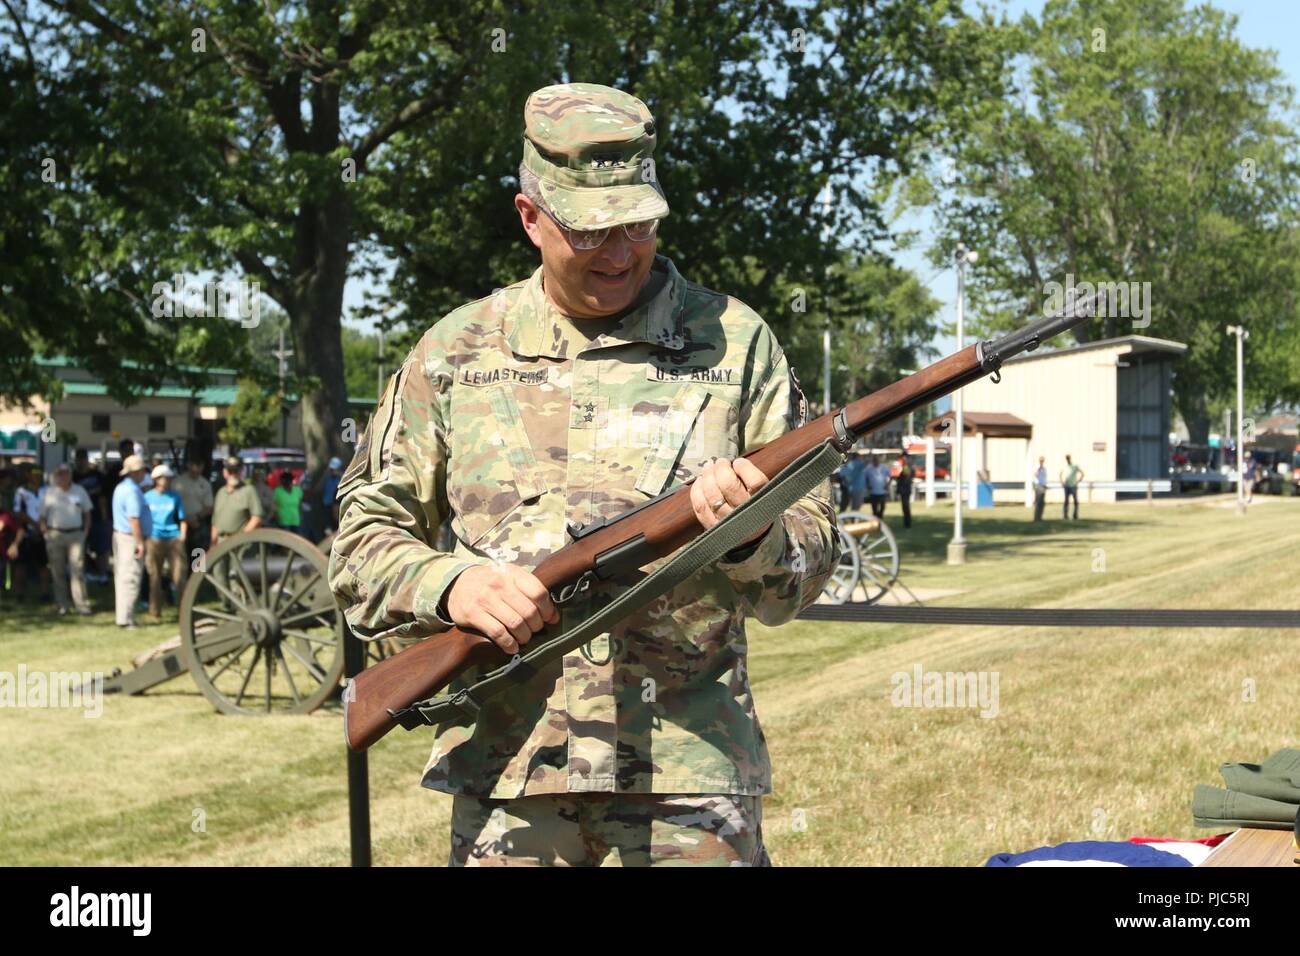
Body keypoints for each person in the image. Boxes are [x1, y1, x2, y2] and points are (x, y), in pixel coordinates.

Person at [328, 83, 839, 868]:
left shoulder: (736, 345)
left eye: (638, 223)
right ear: (529, 218)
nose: (620, 250)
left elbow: (810, 561)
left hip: (690, 779)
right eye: (592, 229)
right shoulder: (454, 354)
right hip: (513, 775)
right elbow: (359, 544)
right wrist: (451, 585)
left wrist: (755, 537)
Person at [39, 463, 94, 616]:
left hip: (76, 534)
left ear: (70, 475)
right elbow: (42, 516)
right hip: (55, 535)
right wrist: (46, 533)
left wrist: (85, 532)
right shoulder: (50, 493)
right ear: (56, 476)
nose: (63, 477)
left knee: (78, 571)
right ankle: (62, 605)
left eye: (65, 474)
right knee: (57, 572)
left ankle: (82, 605)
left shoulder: (80, 491)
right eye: (60, 474)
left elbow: (87, 512)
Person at [111, 455, 151, 627]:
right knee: (131, 578)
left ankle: (123, 617)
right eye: (142, 470)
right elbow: (133, 519)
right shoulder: (132, 491)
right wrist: (140, 542)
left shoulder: (121, 488)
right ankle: (127, 619)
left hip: (121, 536)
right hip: (130, 538)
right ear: (136, 472)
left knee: (122, 577)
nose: (144, 473)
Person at [144, 465, 187, 619]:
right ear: (156, 479)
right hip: (154, 539)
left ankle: (183, 610)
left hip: (174, 538)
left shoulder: (175, 496)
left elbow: (183, 518)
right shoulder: (147, 497)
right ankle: (155, 611)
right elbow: (143, 518)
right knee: (154, 576)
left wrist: (182, 535)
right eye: (164, 477)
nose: (167, 480)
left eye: (169, 478)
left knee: (179, 575)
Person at [13, 465, 50, 602]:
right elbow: (18, 512)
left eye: (39, 473)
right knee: (20, 565)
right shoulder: (21, 491)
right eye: (34, 473)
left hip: (43, 531)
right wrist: (35, 525)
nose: (37, 476)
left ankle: (45, 593)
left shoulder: (46, 490)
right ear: (28, 475)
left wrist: (42, 526)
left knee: (43, 564)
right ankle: (19, 594)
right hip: (26, 531)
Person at [210, 456, 263, 547]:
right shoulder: (221, 492)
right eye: (230, 471)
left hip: (239, 543)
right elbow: (215, 522)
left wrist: (241, 537)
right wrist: (212, 543)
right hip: (220, 543)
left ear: (241, 472)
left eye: (236, 471)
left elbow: (256, 518)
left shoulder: (248, 490)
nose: (233, 475)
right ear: (225, 473)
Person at [173, 457, 214, 564]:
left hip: (198, 524)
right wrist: (185, 518)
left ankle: (198, 578)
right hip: (180, 523)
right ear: (188, 465)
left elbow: (209, 508)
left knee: (198, 559)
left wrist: (196, 517)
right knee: (181, 558)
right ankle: (183, 580)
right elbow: (172, 504)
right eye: (194, 465)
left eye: (199, 465)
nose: (196, 469)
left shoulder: (205, 484)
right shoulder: (177, 482)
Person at [273, 469, 304, 535]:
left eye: (287, 479)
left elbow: (300, 505)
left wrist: (301, 516)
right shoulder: (277, 491)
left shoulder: (297, 490)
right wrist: (276, 517)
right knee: (285, 540)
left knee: (296, 539)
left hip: (295, 519)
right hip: (283, 520)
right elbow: (274, 506)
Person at [321, 457, 344, 534]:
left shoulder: (341, 478)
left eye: (334, 469)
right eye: (331, 469)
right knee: (328, 526)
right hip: (327, 504)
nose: (332, 471)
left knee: (337, 522)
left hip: (337, 504)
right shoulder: (327, 478)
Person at [1061, 454, 1084, 520]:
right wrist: (1062, 482)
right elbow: (1060, 474)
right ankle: (1065, 515)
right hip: (1067, 486)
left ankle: (1075, 515)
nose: (1068, 459)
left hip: (1073, 486)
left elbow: (1082, 473)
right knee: (1066, 501)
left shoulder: (1075, 466)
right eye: (1067, 458)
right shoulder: (1065, 466)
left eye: (1069, 458)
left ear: (1070, 458)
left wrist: (1078, 481)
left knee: (1075, 501)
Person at [895, 453, 914, 529]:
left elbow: (907, 476)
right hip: (904, 489)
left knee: (906, 506)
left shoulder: (906, 466)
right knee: (904, 506)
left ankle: (907, 523)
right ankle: (906, 522)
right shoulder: (904, 466)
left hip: (905, 489)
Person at [1032, 455, 1048, 522]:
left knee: (1042, 503)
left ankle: (1040, 517)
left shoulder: (1044, 468)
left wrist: (1046, 485)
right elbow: (1036, 475)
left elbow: (1044, 478)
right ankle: (1036, 518)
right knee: (1038, 503)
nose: (1042, 461)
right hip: (1038, 486)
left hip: (1043, 486)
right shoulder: (1037, 467)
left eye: (1043, 460)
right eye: (1041, 460)